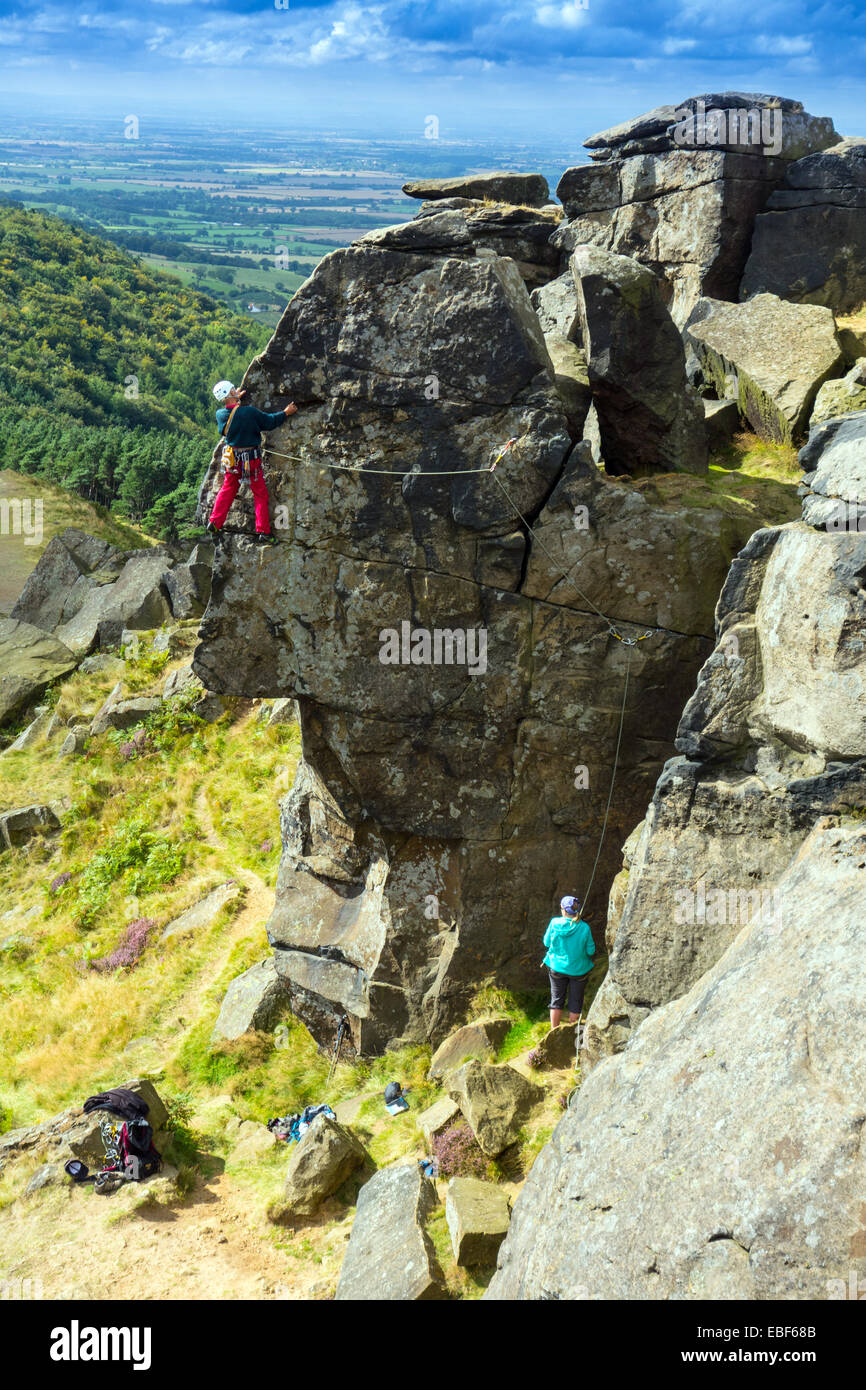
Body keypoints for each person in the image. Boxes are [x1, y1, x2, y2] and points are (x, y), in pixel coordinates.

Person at [206, 380, 297, 545]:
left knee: (228, 488)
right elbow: (269, 421)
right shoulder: (248, 412)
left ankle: (215, 522)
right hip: (250, 459)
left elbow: (232, 416)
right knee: (260, 493)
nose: (236, 390)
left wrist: (235, 400)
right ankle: (263, 531)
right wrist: (285, 413)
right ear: (231, 393)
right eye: (233, 389)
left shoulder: (220, 414)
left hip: (232, 459)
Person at [542, 895, 595, 1031]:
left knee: (556, 1000)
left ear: (563, 910)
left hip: (557, 968)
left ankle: (554, 1031)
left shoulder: (554, 923)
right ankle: (572, 1031)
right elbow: (591, 951)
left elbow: (546, 942)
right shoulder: (584, 927)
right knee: (576, 1001)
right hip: (579, 970)